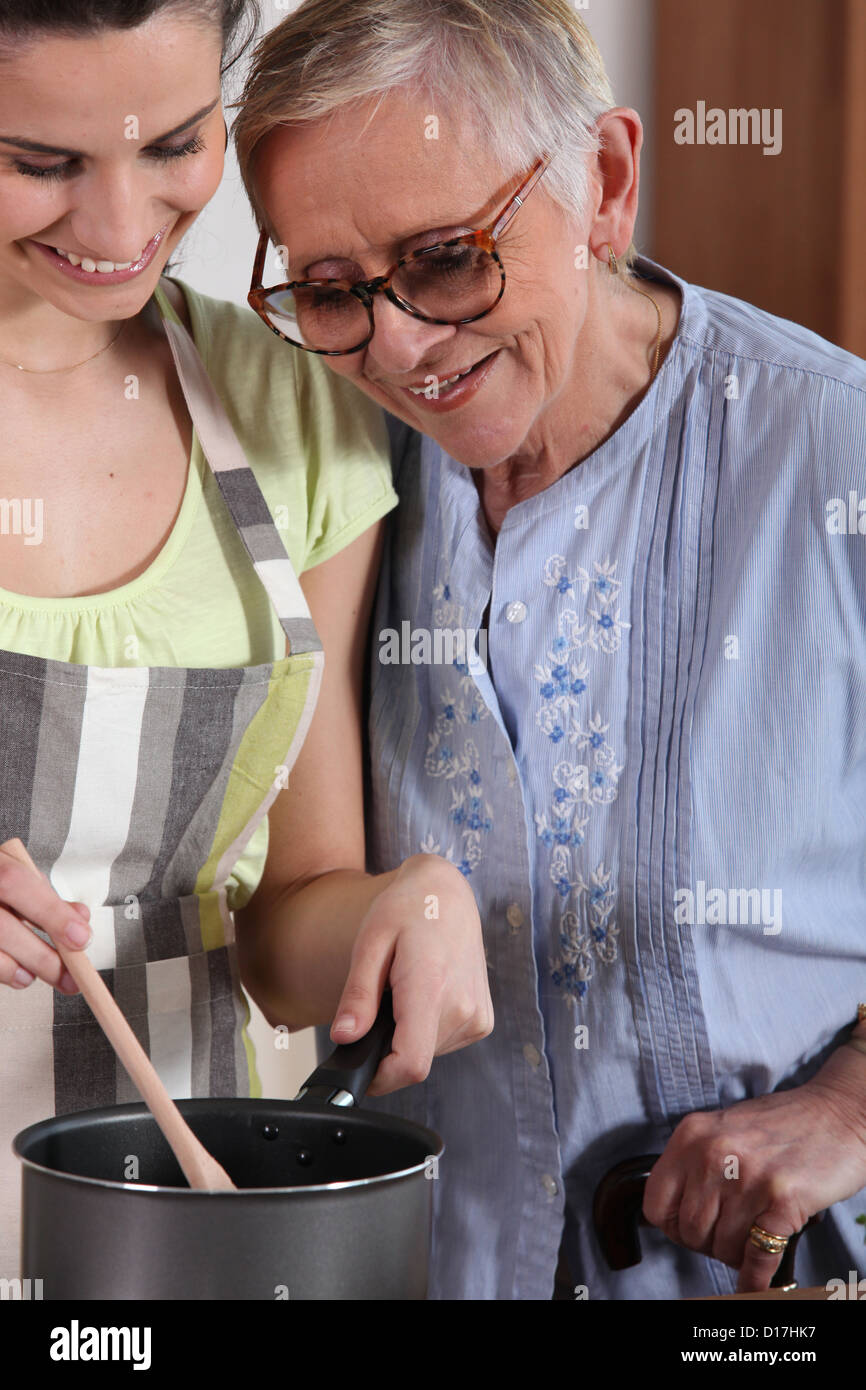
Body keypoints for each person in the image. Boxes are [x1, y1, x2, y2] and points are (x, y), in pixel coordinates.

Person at [233, 0, 866, 1299]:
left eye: (449, 258)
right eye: (332, 289)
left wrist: (846, 1108)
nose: (398, 349)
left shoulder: (830, 455)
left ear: (607, 185)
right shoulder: (335, 482)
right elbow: (285, 940)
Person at [0, 0, 492, 1278]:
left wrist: (404, 905)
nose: (120, 232)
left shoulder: (290, 409)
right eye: (37, 163)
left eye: (172, 143)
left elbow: (285, 926)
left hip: (162, 1239)